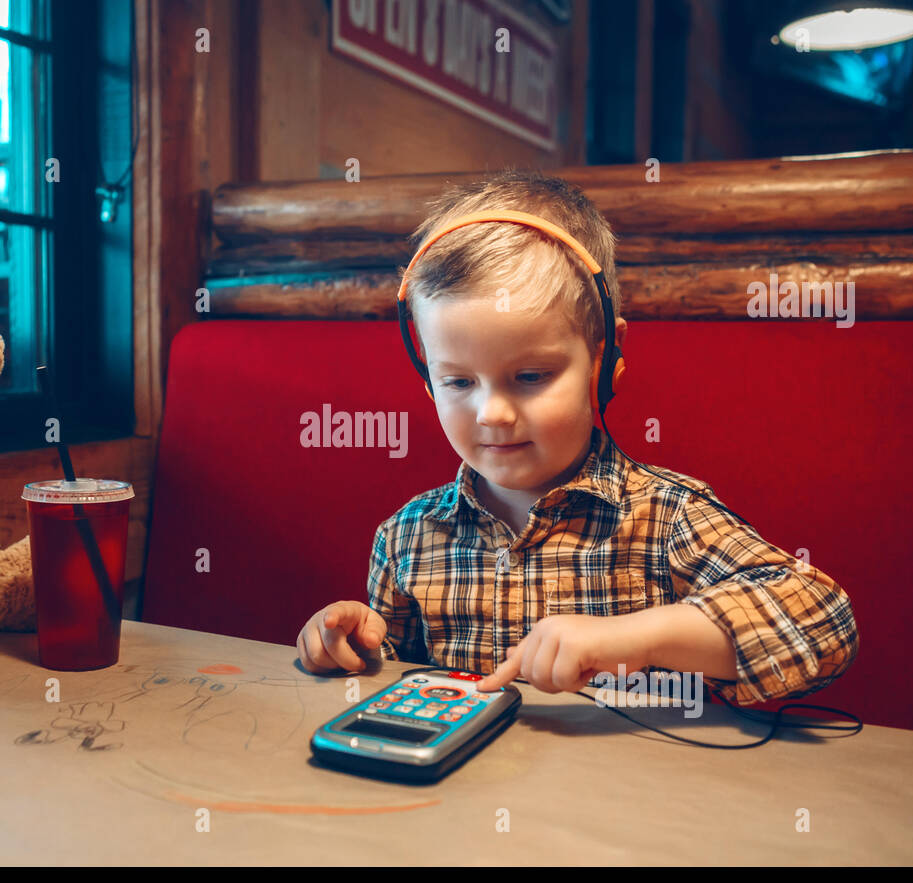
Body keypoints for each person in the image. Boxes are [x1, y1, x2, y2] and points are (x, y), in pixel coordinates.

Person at [295, 169, 857, 705]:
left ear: (604, 359)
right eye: (458, 381)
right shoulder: (405, 539)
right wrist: (350, 645)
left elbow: (822, 620)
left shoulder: (665, 517)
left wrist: (639, 638)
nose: (491, 412)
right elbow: (390, 680)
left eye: (531, 376)